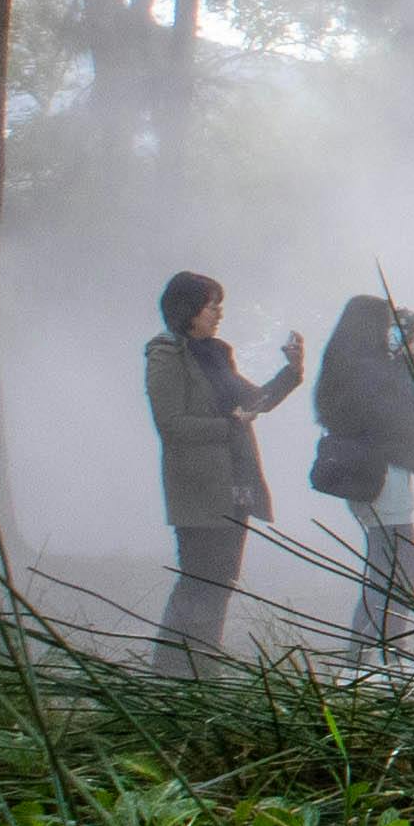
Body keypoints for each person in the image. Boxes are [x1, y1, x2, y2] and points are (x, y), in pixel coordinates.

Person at [143, 275, 302, 674]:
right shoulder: (166, 355)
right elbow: (171, 425)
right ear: (188, 310)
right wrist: (228, 426)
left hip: (235, 487)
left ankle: (196, 667)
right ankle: (177, 670)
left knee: (221, 581)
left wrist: (292, 371)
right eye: (211, 305)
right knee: (199, 581)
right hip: (198, 489)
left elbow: (254, 401)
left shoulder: (216, 354)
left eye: (218, 304)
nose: (219, 313)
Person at [313, 294, 414, 662]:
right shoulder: (365, 367)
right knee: (397, 573)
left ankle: (367, 659)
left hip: (371, 474)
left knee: (388, 571)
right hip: (380, 474)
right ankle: (375, 659)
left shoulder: (346, 361)